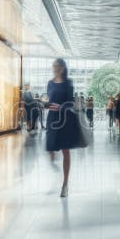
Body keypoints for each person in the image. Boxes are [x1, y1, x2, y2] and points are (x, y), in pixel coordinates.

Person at [45, 59, 86, 197]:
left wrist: (60, 107)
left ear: (62, 68)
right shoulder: (50, 83)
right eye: (53, 66)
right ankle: (55, 166)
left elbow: (70, 103)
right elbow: (49, 100)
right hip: (52, 118)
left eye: (56, 67)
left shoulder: (68, 83)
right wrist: (45, 104)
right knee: (50, 147)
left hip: (64, 120)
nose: (54, 69)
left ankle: (65, 184)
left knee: (65, 151)